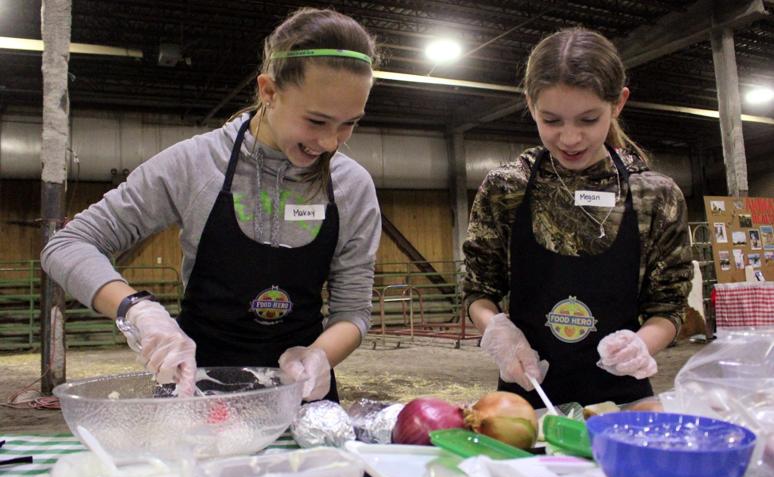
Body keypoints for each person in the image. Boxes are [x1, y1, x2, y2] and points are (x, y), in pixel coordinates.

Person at [41, 7, 381, 402]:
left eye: (349, 123)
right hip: (195, 391)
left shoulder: (352, 186)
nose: (331, 142)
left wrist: (320, 355)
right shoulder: (196, 164)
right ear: (269, 91)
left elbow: (352, 312)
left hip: (301, 398)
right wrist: (137, 310)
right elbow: (67, 244)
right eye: (317, 121)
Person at [462, 28, 692, 408]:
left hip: (622, 403)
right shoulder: (506, 189)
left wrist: (641, 345)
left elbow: (668, 306)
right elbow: (478, 291)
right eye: (551, 120)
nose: (570, 138)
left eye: (588, 119)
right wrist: (498, 331)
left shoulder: (655, 197)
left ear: (618, 104)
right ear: (530, 104)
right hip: (526, 404)